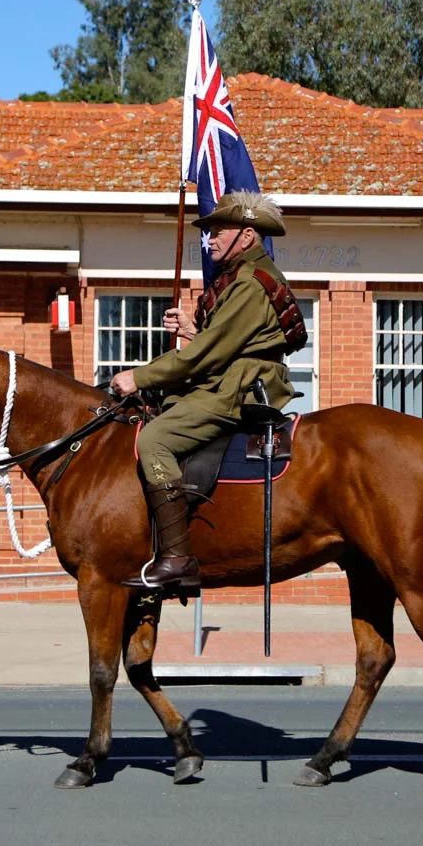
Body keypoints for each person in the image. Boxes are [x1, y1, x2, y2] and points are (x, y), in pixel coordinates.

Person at [109, 190, 307, 592]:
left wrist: (140, 377)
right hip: (233, 376)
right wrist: (193, 331)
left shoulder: (250, 283)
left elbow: (205, 358)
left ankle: (178, 558)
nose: (209, 239)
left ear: (247, 237)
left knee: (154, 440)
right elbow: (231, 342)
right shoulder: (243, 276)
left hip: (239, 391)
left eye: (218, 231)